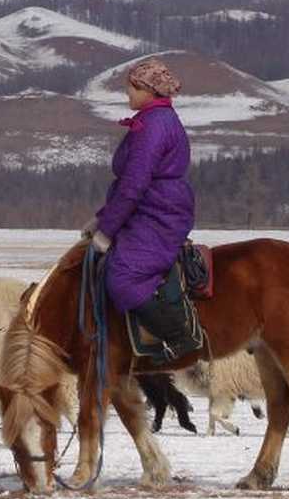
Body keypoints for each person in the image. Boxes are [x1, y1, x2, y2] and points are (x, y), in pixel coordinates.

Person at [81, 57, 202, 359]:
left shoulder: (154, 125)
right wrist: (101, 218)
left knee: (122, 277)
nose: (128, 93)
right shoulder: (153, 119)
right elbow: (129, 186)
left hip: (158, 212)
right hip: (151, 207)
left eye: (133, 88)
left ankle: (179, 338)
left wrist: (107, 231)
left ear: (150, 91)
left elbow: (134, 184)